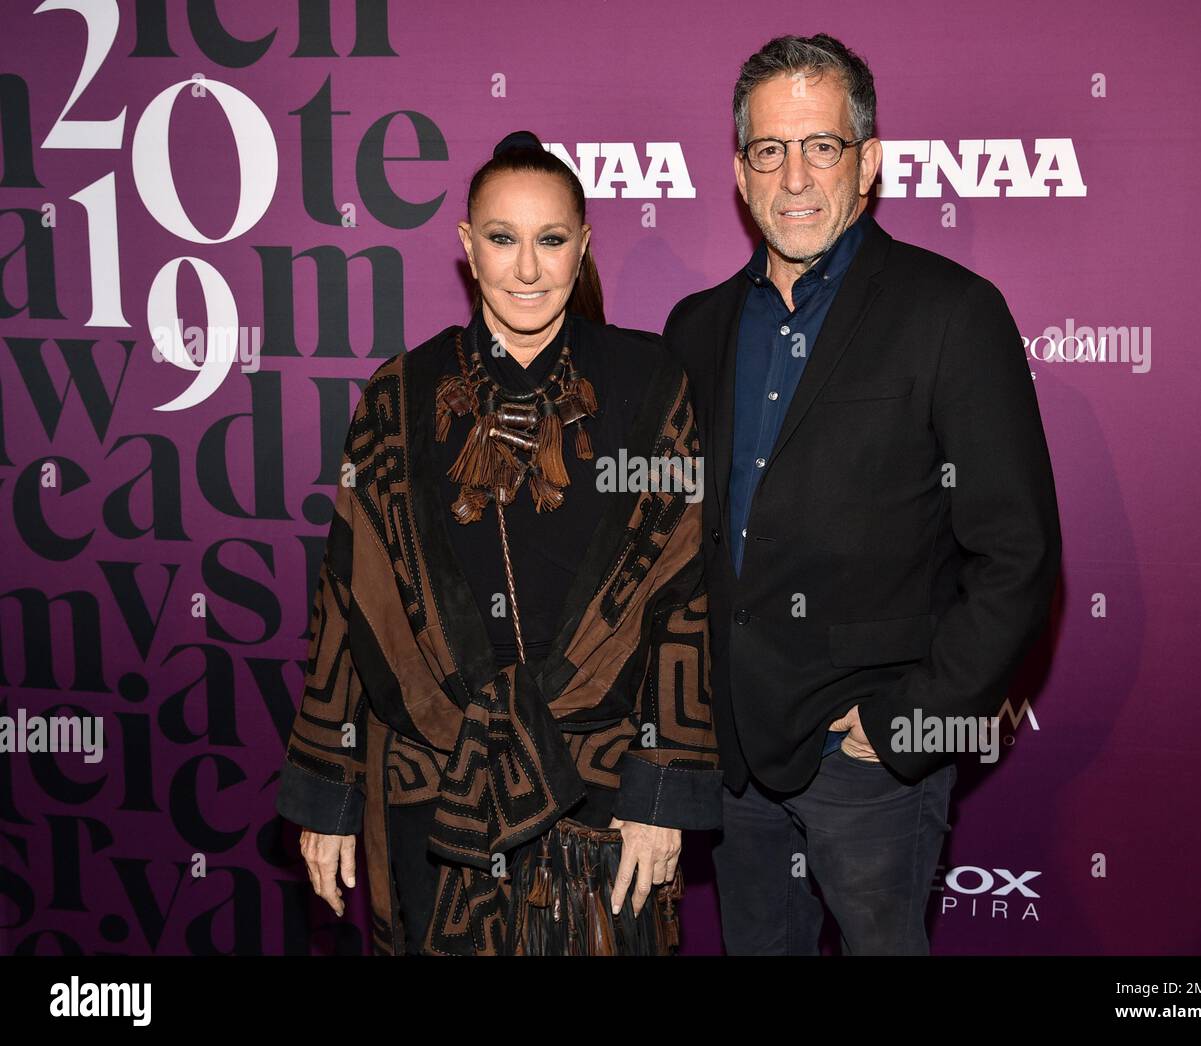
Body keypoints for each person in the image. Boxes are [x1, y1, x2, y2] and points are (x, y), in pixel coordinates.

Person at [275, 130, 722, 955]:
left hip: (599, 784)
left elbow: (685, 594)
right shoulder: (399, 395)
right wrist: (328, 796)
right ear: (465, 246)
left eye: (551, 241)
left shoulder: (645, 382)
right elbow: (347, 599)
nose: (527, 268)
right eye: (503, 239)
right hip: (430, 780)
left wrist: (662, 791)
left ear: (583, 246)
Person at [663, 34, 1062, 954]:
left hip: (868, 766)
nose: (794, 176)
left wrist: (899, 729)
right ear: (739, 171)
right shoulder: (697, 328)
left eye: (822, 146)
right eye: (770, 149)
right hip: (729, 759)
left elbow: (1019, 555)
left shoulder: (952, 312)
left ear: (869, 161)